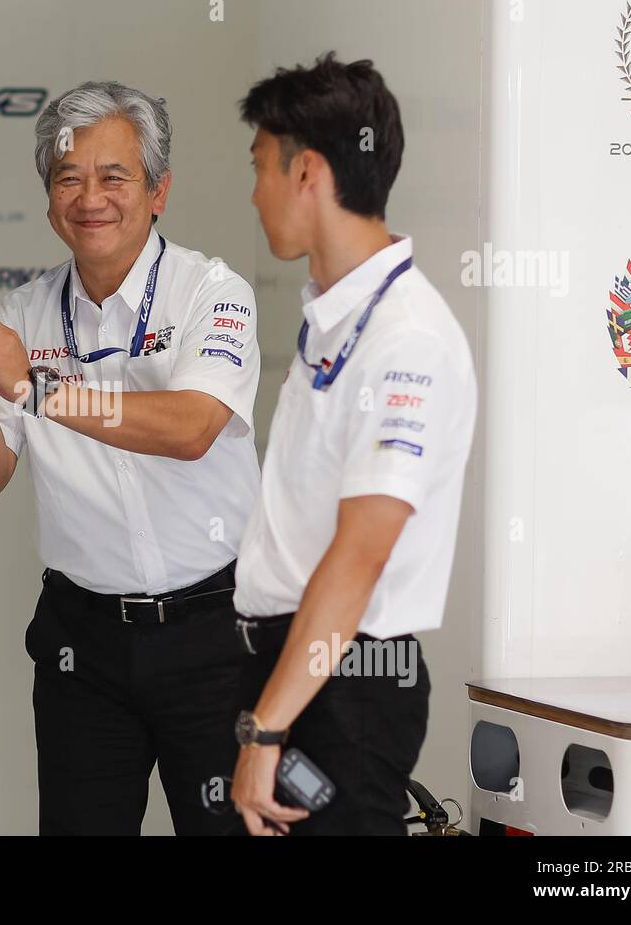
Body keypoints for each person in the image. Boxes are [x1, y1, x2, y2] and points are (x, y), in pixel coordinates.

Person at [0, 81, 261, 835]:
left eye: (114, 177)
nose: (90, 199)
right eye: (68, 178)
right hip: (83, 645)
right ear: (49, 199)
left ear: (158, 191)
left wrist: (33, 387)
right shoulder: (20, 315)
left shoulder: (212, 292)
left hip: (218, 633)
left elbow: (191, 428)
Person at [229, 54, 477, 835]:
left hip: (345, 682)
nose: (254, 193)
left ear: (307, 171)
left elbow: (361, 552)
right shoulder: (337, 316)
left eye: (260, 167)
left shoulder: (407, 338)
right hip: (299, 672)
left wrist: (266, 729)